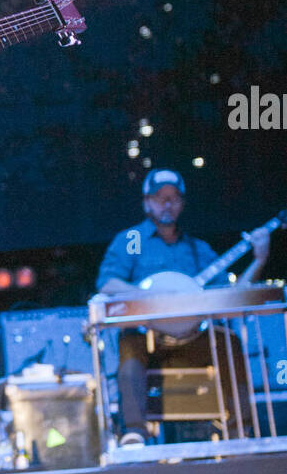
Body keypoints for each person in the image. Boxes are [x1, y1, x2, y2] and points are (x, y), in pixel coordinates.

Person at [96, 168, 270, 445]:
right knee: (129, 345)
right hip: (149, 337)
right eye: (160, 197)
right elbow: (108, 283)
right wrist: (153, 297)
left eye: (174, 198)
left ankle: (240, 432)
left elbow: (231, 293)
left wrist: (259, 259)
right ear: (146, 202)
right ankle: (134, 434)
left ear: (182, 204)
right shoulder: (134, 240)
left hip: (192, 338)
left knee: (230, 344)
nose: (167, 204)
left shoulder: (196, 248)